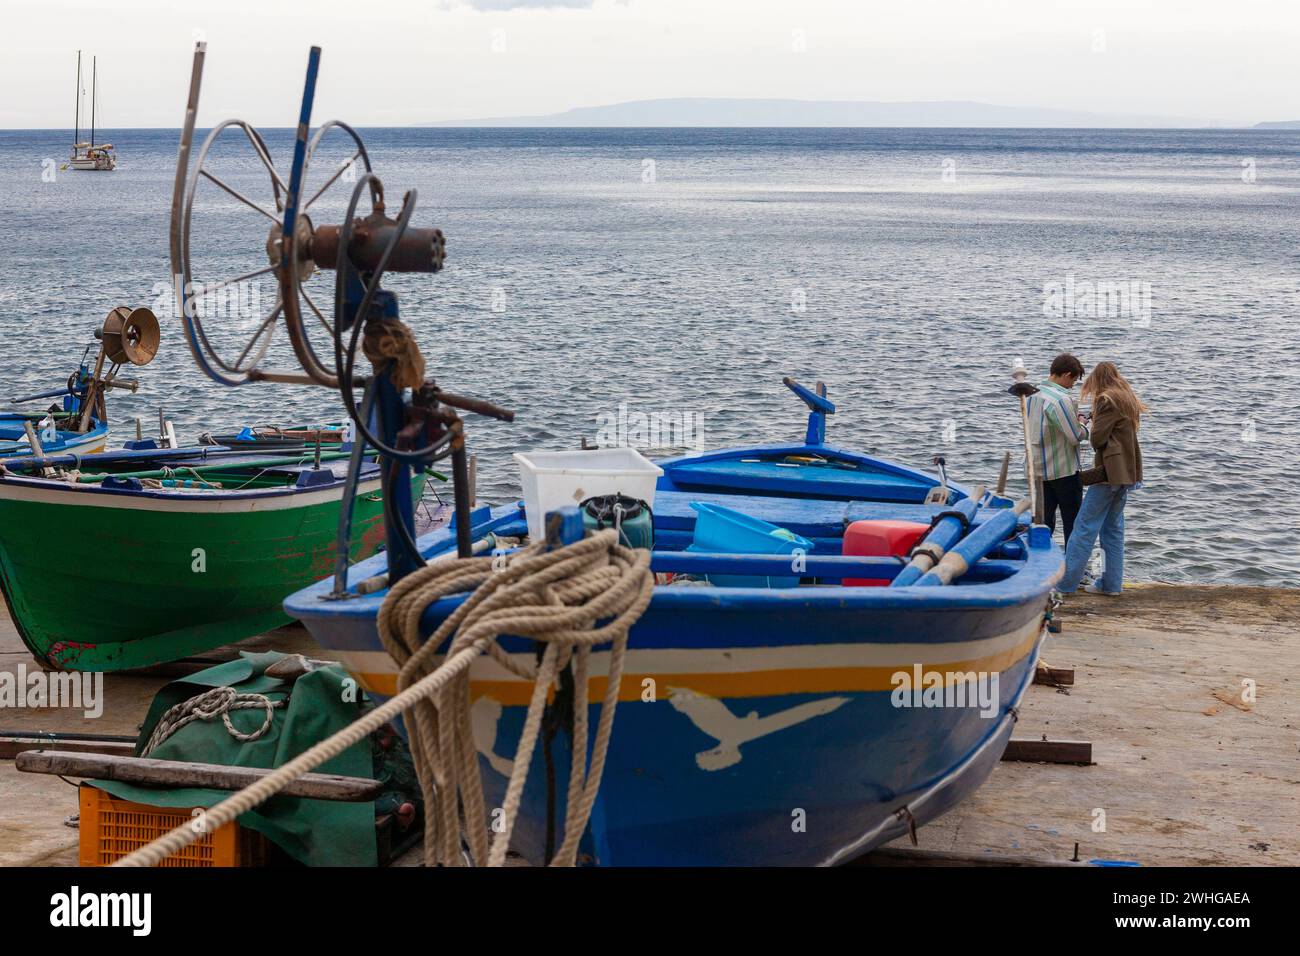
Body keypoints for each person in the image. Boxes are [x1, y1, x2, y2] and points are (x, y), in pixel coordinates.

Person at [1058, 362, 1147, 596]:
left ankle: (1065, 584)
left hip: (1109, 474)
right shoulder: (1126, 396)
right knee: (1113, 530)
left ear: (1097, 380)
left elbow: (1097, 440)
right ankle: (1111, 585)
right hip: (1127, 472)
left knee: (1083, 527)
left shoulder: (1106, 399)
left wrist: (1092, 420)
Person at [1027, 353, 1088, 545]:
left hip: (1037, 469)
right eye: (1074, 380)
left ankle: (1041, 563)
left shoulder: (1031, 394)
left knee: (1043, 522)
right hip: (1063, 470)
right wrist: (1083, 424)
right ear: (1066, 374)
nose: (1072, 385)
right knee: (1073, 523)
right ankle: (1072, 569)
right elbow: (1074, 436)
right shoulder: (1061, 399)